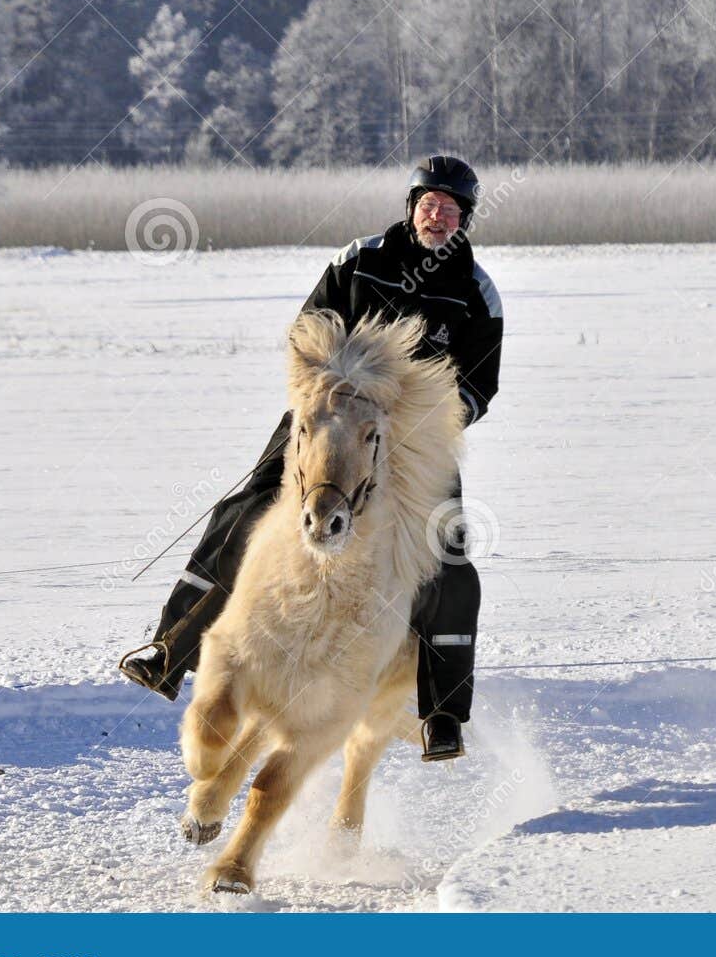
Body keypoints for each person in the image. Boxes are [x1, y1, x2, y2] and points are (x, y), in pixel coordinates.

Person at [118, 154, 502, 762]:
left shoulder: (477, 291)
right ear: (411, 207)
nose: (437, 216)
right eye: (428, 204)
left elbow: (480, 387)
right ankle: (172, 651)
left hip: (410, 442)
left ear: (465, 220)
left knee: (448, 553)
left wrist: (422, 421)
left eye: (450, 209)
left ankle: (443, 714)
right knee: (242, 512)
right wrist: (326, 396)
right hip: (327, 417)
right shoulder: (360, 259)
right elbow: (307, 331)